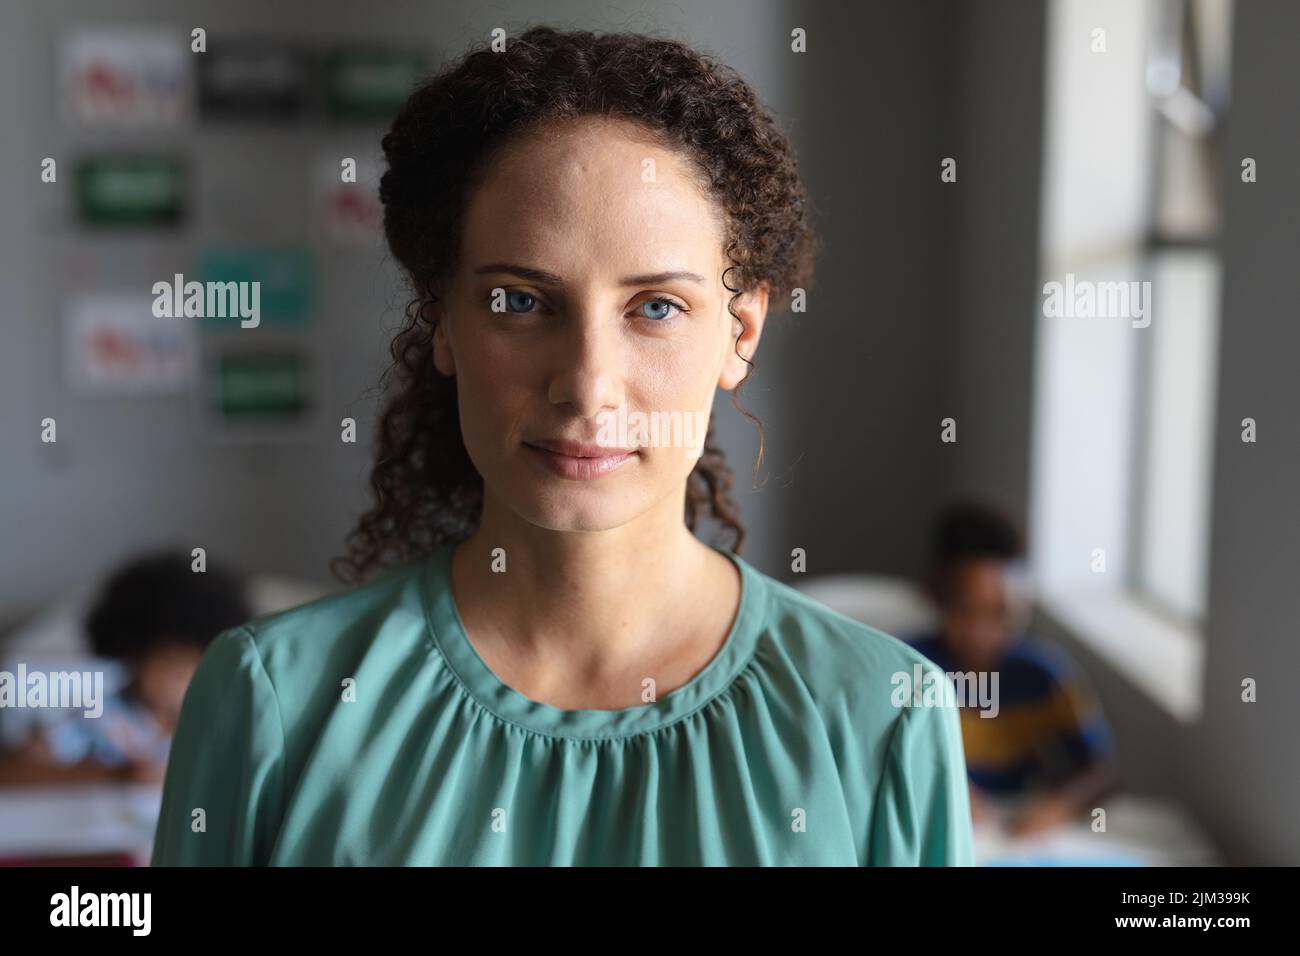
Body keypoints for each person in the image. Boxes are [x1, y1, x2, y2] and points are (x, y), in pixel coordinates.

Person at [151, 26, 973, 866]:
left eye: (655, 307)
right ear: (442, 320)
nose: (586, 384)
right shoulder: (275, 701)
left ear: (743, 331)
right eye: (520, 301)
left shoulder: (885, 710)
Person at [909, 502, 1117, 837]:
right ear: (934, 594)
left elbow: (1098, 772)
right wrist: (938, 791)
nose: (981, 633)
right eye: (964, 611)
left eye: (999, 613)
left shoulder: (1046, 676)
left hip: (1013, 835)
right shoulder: (907, 670)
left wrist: (1059, 805)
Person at [0, 551, 252, 787]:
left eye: (200, 665)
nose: (186, 680)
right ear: (132, 656)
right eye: (170, 665)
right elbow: (12, 771)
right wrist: (114, 775)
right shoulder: (98, 717)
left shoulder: (216, 725)